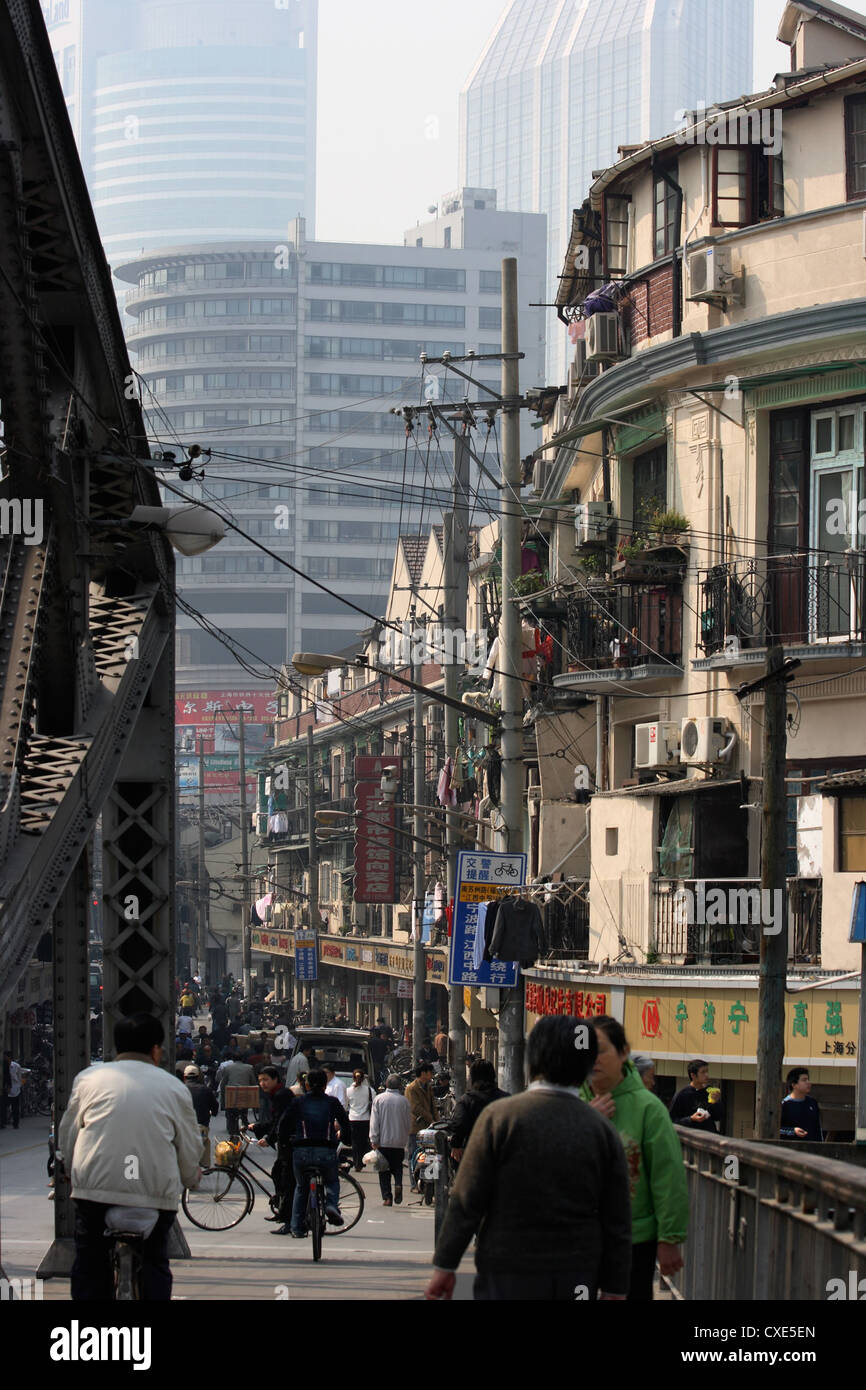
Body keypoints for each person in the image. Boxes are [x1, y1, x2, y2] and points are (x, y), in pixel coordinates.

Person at [425, 1016, 632, 1302]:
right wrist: (615, 1287)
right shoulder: (600, 1131)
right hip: (575, 1271)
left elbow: (466, 1199)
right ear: (586, 1068)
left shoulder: (499, 1118)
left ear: (531, 1062)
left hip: (506, 1265)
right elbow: (617, 1218)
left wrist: (445, 1265)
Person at [58, 1013, 202, 1301]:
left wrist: (68, 1168)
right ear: (156, 1050)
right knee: (155, 1262)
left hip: (94, 1191)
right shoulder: (174, 1087)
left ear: (116, 1047)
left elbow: (69, 1133)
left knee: (89, 1263)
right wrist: (191, 1176)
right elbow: (189, 1144)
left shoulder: (88, 1079)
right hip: (154, 1192)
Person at [581, 1016, 688, 1301]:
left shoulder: (648, 1109)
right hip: (577, 1238)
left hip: (633, 1240)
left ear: (623, 1052)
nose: (593, 1059)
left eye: (601, 1050)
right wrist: (586, 1124)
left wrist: (669, 1238)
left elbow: (667, 1176)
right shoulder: (571, 1102)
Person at [275, 1069, 350, 1237]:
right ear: (325, 1085)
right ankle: (331, 1204)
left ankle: (296, 1227)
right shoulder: (332, 1102)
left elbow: (284, 1125)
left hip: (301, 1152)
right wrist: (347, 1140)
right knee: (331, 1181)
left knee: (301, 1188)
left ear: (306, 1085)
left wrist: (286, 1143)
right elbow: (345, 1124)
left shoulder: (298, 1102)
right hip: (326, 1151)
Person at [245, 1065, 296, 1224]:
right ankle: (282, 1208)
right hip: (285, 1142)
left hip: (289, 1143)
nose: (262, 1083)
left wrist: (269, 1138)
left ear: (276, 1079)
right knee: (278, 1173)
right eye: (260, 1080)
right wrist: (259, 1127)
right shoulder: (277, 1094)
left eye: (266, 1079)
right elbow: (276, 1121)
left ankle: (287, 1217)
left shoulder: (282, 1095)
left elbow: (281, 1121)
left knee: (285, 1179)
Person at [448, 1060, 508, 1163]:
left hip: (476, 1155)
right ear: (493, 1076)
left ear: (473, 1078)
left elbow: (459, 1124)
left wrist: (456, 1145)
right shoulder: (507, 1099)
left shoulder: (467, 1100)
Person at [369, 1074, 412, 1206]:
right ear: (399, 1086)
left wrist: (374, 1138)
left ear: (386, 1085)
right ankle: (398, 1184)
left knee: (384, 1170)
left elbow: (374, 1122)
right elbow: (408, 1122)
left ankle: (387, 1197)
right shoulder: (404, 1101)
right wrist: (405, 1138)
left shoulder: (379, 1099)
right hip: (399, 1142)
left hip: (383, 1141)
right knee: (397, 1167)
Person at [670, 1059, 724, 1134]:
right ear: (693, 1075)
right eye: (703, 1072)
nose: (707, 1075)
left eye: (707, 1071)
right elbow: (672, 1121)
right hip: (691, 1138)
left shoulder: (709, 1091)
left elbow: (718, 1117)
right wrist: (691, 1118)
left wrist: (716, 1102)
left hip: (709, 1137)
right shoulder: (682, 1095)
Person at [405, 1063, 436, 1191]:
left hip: (429, 1127)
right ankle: (414, 1184)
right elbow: (415, 1107)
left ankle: (427, 1184)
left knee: (429, 1155)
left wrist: (436, 1122)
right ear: (423, 1073)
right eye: (430, 1072)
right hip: (415, 1127)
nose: (432, 1075)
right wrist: (431, 1118)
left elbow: (433, 1106)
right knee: (414, 1155)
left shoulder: (428, 1087)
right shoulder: (411, 1088)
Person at [183, 1064, 219, 1165]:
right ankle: (205, 1164)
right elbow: (215, 1107)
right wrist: (213, 1112)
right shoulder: (205, 1089)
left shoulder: (180, 1089)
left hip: (183, 1127)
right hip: (202, 1126)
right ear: (198, 1076)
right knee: (206, 1143)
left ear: (184, 1077)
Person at [219, 1051, 258, 1136]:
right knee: (244, 1114)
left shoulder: (228, 1068)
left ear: (233, 1059)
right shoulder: (249, 1067)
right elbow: (254, 1083)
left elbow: (223, 1084)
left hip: (231, 1096)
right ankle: (244, 1123)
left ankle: (232, 1134)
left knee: (231, 1117)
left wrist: (223, 1100)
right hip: (245, 1096)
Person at [346, 1068, 377, 1172]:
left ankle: (356, 1163)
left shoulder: (348, 1090)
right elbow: (374, 1104)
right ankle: (361, 1161)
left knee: (355, 1142)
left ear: (353, 1077)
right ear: (363, 1078)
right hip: (365, 1119)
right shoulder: (370, 1090)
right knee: (364, 1141)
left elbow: (346, 1105)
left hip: (353, 1119)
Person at [780, 1067, 823, 1141]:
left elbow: (818, 1128)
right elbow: (777, 1129)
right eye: (804, 1080)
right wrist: (793, 1131)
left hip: (811, 1149)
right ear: (794, 1085)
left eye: (808, 1079)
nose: (808, 1082)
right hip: (790, 1149)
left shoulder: (813, 1103)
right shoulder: (784, 1105)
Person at [1, 1053, 24, 1130]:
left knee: (15, 1107)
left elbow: (19, 1077)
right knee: (3, 1106)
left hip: (15, 1088)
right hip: (5, 1089)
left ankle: (15, 1123)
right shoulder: (3, 1065)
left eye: (6, 1056)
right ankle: (3, 1122)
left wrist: (18, 1086)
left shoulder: (16, 1066)